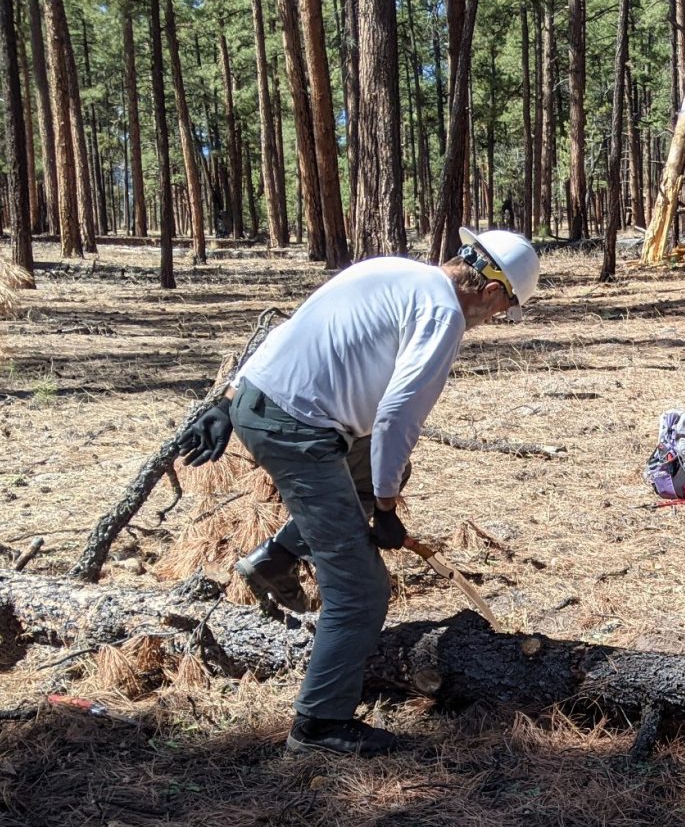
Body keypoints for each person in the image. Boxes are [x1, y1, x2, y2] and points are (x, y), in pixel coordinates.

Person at [184, 228, 539, 756]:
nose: (497, 319)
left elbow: (291, 331)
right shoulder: (443, 317)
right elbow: (397, 415)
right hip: (298, 431)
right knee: (363, 588)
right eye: (505, 308)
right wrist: (388, 510)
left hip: (262, 402)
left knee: (379, 470)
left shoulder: (390, 269)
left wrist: (228, 396)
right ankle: (319, 725)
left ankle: (276, 558)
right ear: (490, 291)